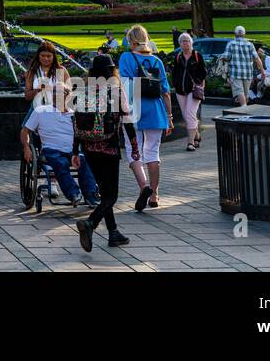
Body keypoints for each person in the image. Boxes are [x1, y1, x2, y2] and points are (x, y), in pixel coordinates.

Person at [73, 54, 139, 251]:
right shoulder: (116, 90)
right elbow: (126, 120)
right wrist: (134, 147)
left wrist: (75, 151)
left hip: (88, 147)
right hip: (109, 148)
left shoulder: (82, 89)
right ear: (112, 71)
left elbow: (76, 123)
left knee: (104, 192)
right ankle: (90, 223)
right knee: (111, 196)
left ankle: (113, 233)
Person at [118, 25, 173, 211]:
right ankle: (155, 194)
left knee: (133, 150)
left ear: (131, 41)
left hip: (133, 110)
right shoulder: (157, 61)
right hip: (156, 110)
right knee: (153, 152)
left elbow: (124, 87)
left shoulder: (126, 57)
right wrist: (170, 117)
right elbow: (166, 92)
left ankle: (144, 187)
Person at [20, 97, 99, 206]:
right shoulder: (40, 111)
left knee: (85, 160)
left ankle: (91, 195)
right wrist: (26, 147)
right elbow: (25, 131)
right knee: (60, 162)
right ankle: (73, 194)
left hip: (72, 150)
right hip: (51, 150)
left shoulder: (74, 114)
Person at [171, 32, 207, 151]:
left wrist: (197, 82)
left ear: (191, 42)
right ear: (179, 44)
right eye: (182, 41)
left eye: (186, 41)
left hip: (193, 90)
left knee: (190, 114)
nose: (184, 43)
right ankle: (196, 135)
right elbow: (174, 73)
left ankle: (190, 142)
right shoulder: (178, 57)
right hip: (180, 91)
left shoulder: (197, 56)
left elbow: (203, 72)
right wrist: (175, 84)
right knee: (186, 115)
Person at [24, 40, 70, 112]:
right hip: (37, 111)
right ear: (38, 56)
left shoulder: (60, 70)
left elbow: (70, 92)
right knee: (26, 123)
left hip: (58, 110)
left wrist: (58, 90)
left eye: (49, 56)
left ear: (53, 56)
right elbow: (27, 97)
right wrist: (37, 89)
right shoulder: (32, 72)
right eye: (42, 56)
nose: (46, 58)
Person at [223, 25, 263, 107]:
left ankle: (244, 109)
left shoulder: (230, 44)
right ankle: (244, 107)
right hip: (247, 73)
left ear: (235, 33)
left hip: (235, 72)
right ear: (244, 34)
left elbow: (226, 58)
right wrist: (262, 71)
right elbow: (257, 58)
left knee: (239, 91)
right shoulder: (250, 44)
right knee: (246, 93)